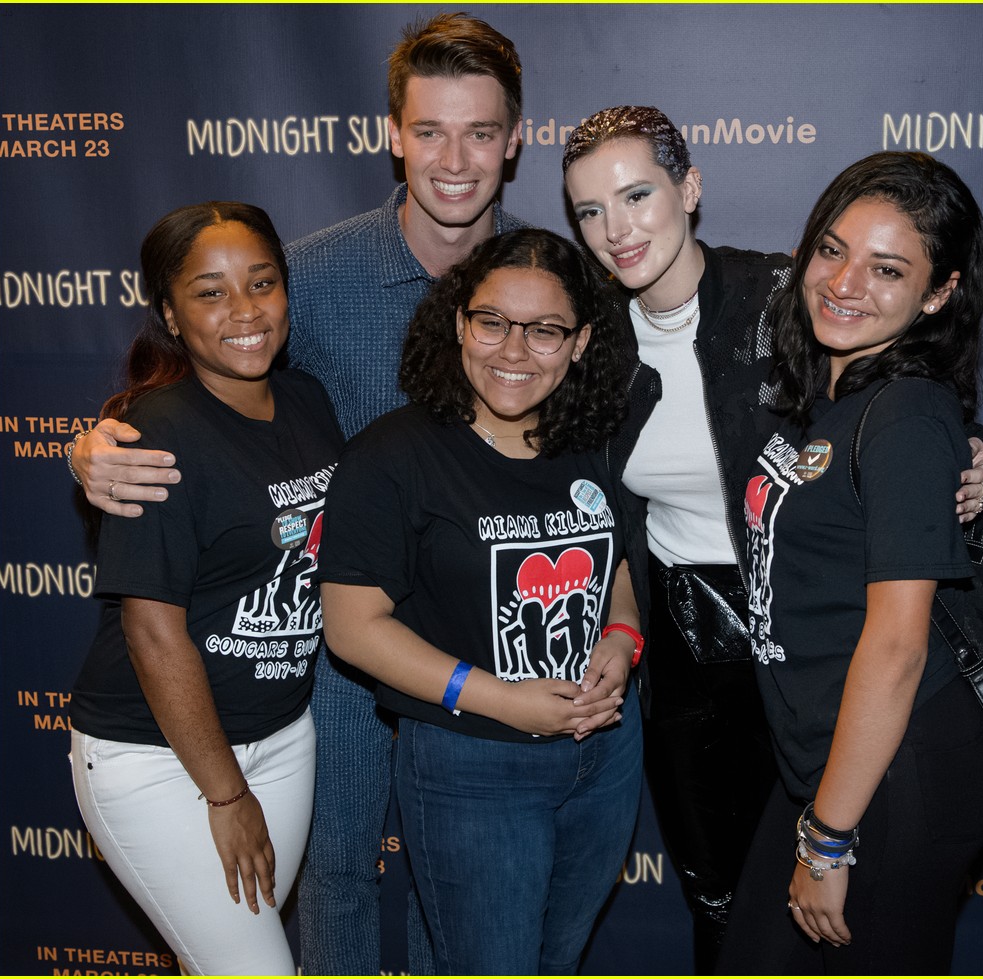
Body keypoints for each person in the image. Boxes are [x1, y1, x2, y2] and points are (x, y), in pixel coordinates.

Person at [67, 14, 525, 974]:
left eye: (480, 132)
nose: (454, 159)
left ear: (516, 139)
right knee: (336, 881)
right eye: (430, 130)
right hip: (339, 652)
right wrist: (94, 443)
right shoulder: (306, 276)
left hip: (495, 641)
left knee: (475, 892)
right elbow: (205, 381)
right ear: (391, 133)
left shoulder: (549, 279)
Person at [562, 106, 983, 972]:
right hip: (704, 651)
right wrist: (621, 625)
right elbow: (580, 500)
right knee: (732, 907)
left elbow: (916, 427)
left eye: (638, 194)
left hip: (840, 664)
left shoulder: (788, 301)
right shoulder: (586, 337)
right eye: (589, 209)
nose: (617, 229)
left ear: (689, 189)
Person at [317, 228, 642, 975]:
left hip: (606, 756)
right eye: (492, 321)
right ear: (460, 322)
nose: (514, 350)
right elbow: (353, 626)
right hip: (471, 765)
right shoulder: (393, 455)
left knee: (556, 962)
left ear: (582, 340)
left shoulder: (593, 439)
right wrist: (500, 699)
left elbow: (616, 560)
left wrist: (622, 640)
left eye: (546, 330)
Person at [718, 151, 983, 974]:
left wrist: (830, 836)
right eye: (833, 250)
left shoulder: (907, 412)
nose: (845, 283)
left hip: (895, 773)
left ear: (939, 292)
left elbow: (897, 644)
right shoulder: (837, 399)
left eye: (888, 269)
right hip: (831, 761)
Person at [68, 202, 343, 975]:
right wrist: (225, 795)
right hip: (158, 756)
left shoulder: (309, 401)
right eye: (211, 292)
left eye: (262, 283)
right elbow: (153, 633)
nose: (245, 311)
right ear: (169, 312)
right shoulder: (153, 435)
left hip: (284, 737)